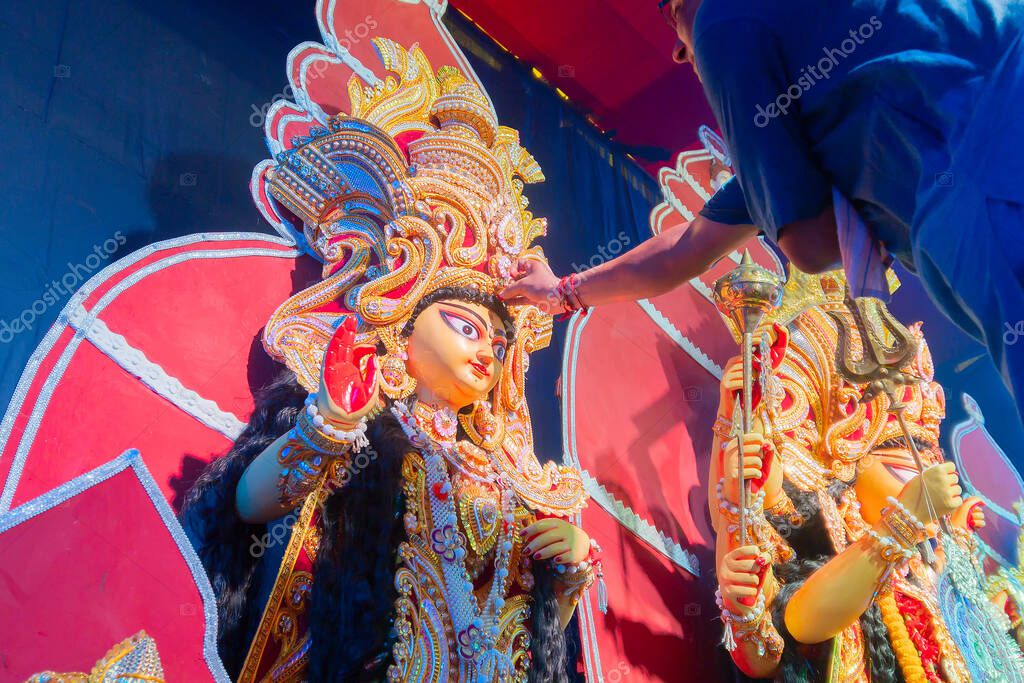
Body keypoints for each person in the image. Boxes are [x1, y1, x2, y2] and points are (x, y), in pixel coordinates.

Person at [180, 41, 598, 682]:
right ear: (402, 318)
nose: (486, 348)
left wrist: (564, 582)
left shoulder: (506, 475)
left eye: (497, 339)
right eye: (465, 325)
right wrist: (328, 425)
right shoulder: (357, 422)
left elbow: (510, 628)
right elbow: (243, 505)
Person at [501, 0, 1024, 416]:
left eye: (677, 38)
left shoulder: (720, 19)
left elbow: (812, 247)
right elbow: (689, 245)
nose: (682, 58)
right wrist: (564, 293)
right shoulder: (830, 88)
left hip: (984, 183)